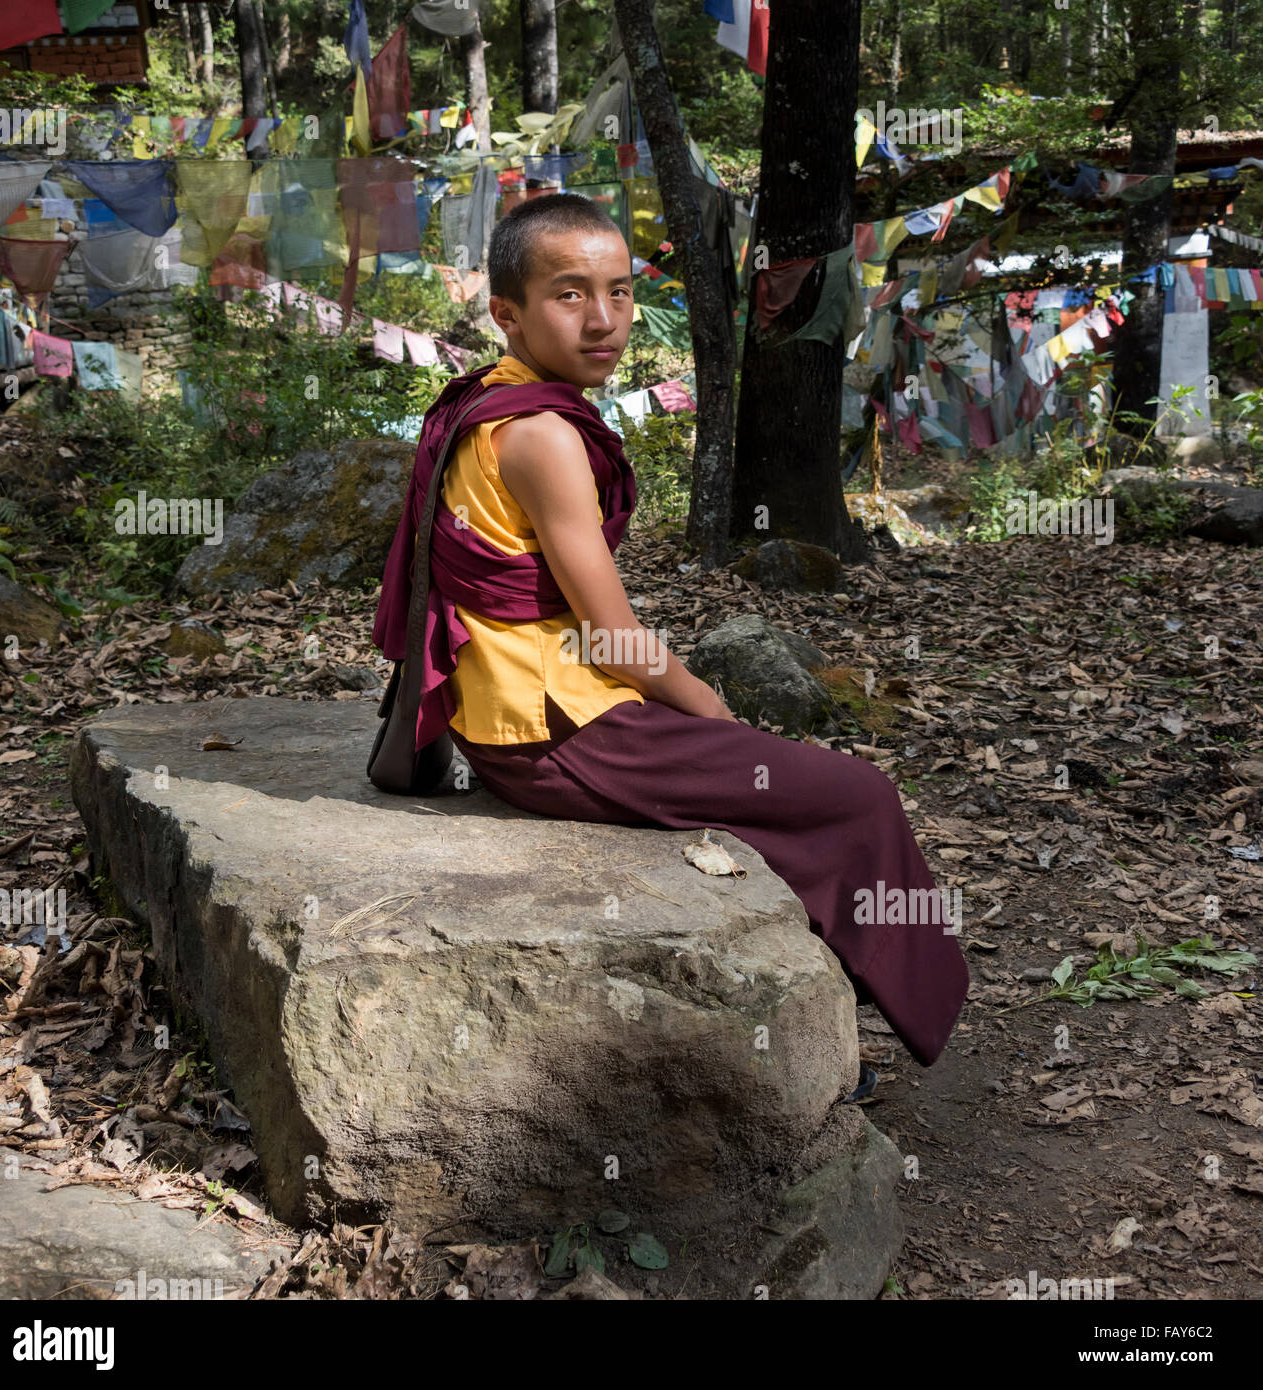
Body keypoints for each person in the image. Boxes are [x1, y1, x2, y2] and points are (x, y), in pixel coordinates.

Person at [371, 193, 968, 1070]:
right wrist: (708, 707)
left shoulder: (482, 398)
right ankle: (882, 1028)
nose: (605, 320)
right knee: (858, 796)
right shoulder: (540, 435)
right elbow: (612, 639)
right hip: (559, 732)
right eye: (569, 295)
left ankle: (815, 1031)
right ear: (507, 312)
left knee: (780, 800)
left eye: (617, 291)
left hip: (513, 714)